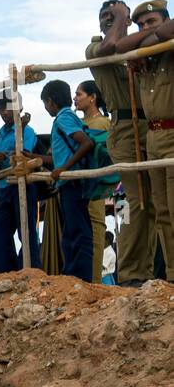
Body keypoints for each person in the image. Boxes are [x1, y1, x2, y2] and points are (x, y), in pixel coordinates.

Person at [89, 0, 158, 285]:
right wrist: (120, 18)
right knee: (134, 201)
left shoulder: (134, 43)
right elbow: (109, 47)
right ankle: (130, 272)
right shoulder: (95, 46)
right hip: (125, 127)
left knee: (155, 203)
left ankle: (148, 270)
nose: (110, 19)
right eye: (106, 15)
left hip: (150, 125)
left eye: (114, 15)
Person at [105, 0, 174, 277]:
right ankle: (166, 275)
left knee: (150, 208)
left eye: (151, 22)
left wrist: (145, 41)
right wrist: (149, 39)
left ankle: (136, 272)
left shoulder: (165, 50)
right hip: (149, 139)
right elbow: (117, 46)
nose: (145, 27)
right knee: (159, 211)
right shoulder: (141, 57)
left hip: (162, 135)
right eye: (140, 24)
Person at [42, 80, 95, 281]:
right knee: (72, 231)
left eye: (45, 104)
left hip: (72, 182)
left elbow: (85, 143)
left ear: (51, 101)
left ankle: (80, 276)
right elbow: (59, 158)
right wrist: (32, 156)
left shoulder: (63, 118)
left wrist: (64, 168)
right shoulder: (66, 118)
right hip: (68, 183)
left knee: (78, 231)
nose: (46, 108)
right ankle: (72, 273)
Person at [0, 90, 41, 273]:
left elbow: (26, 155)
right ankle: (9, 273)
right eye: (0, 108)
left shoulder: (27, 130)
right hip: (5, 189)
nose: (4, 113)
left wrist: (10, 156)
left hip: (24, 186)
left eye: (7, 108)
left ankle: (31, 271)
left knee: (26, 232)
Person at [75, 81, 112, 282]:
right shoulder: (77, 124)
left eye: (79, 94)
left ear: (92, 97)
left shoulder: (104, 123)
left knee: (95, 229)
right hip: (76, 186)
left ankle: (95, 281)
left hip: (95, 186)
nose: (75, 98)